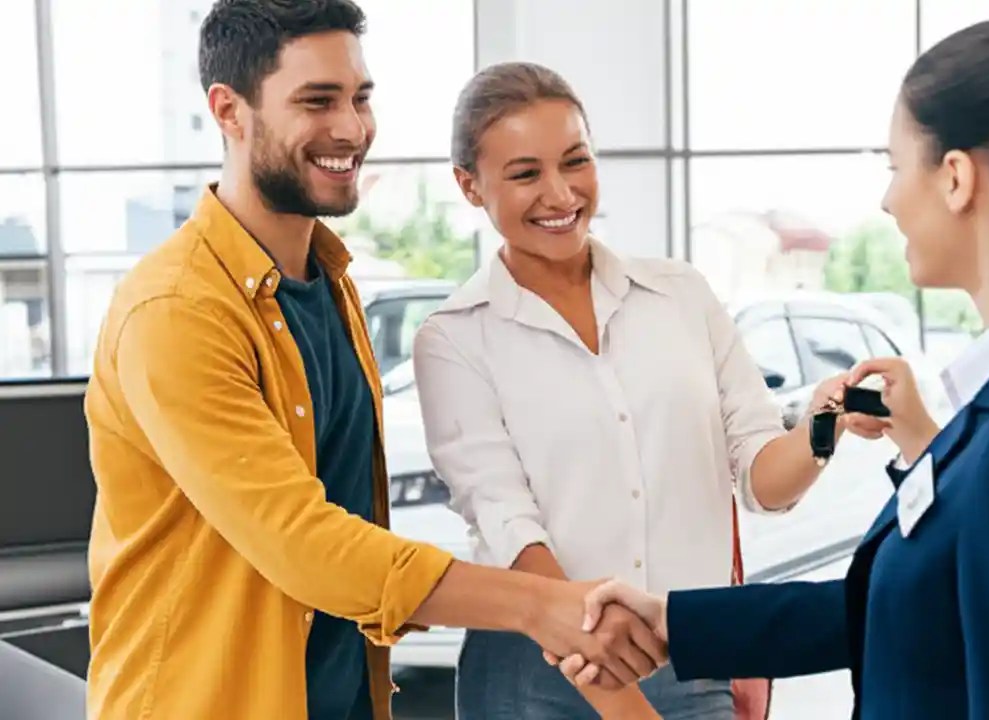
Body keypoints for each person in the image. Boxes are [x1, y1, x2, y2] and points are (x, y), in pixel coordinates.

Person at [550, 18, 989, 720]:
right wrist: (670, 622)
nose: (888, 201)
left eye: (894, 167)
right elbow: (900, 610)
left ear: (956, 177)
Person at [83, 4, 660, 720]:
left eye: (360, 97)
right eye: (317, 101)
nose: (352, 129)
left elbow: (353, 524)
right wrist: (543, 606)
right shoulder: (175, 311)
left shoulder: (331, 282)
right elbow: (305, 544)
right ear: (228, 110)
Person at [412, 61, 863, 720]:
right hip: (532, 672)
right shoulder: (455, 336)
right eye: (525, 173)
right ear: (470, 186)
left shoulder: (679, 295)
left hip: (688, 653)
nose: (561, 194)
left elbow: (765, 482)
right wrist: (621, 703)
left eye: (576, 161)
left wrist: (823, 424)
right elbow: (507, 522)